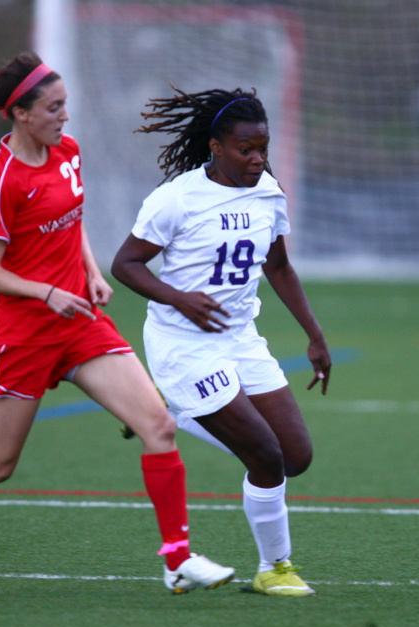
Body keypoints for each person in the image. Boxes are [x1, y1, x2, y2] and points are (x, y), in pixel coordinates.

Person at [0, 52, 233, 596]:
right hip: (22, 334)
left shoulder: (66, 151)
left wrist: (89, 274)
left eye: (65, 105)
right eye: (54, 107)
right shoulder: (1, 183)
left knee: (158, 425)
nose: (65, 116)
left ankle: (177, 558)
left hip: (79, 324)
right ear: (21, 113)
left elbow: (72, 219)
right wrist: (47, 291)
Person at [111, 86, 331, 597]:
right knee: (265, 456)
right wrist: (178, 297)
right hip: (183, 344)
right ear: (216, 146)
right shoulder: (177, 199)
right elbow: (125, 264)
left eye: (263, 148)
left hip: (240, 338)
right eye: (245, 149)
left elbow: (277, 265)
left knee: (295, 456)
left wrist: (314, 335)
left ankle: (162, 410)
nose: (257, 159)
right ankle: (275, 569)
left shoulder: (267, 190)